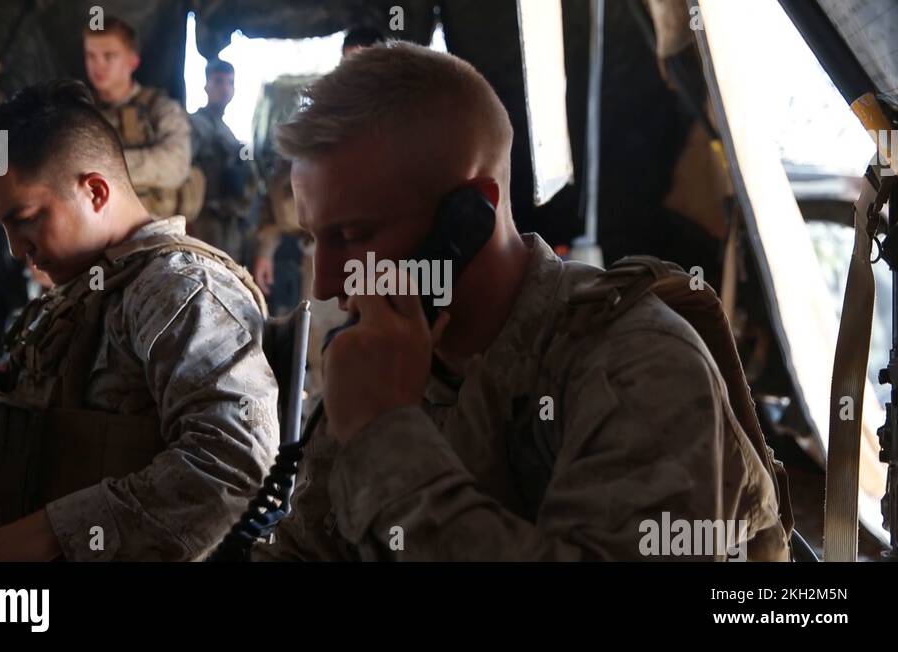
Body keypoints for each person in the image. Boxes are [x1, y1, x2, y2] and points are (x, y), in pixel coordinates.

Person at [255, 42, 790, 561]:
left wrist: (384, 437)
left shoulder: (640, 366)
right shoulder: (388, 357)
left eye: (353, 235)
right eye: (312, 238)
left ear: (468, 216)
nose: (325, 284)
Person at [0, 80, 278, 562]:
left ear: (95, 190)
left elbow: (233, 464)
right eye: (5, 228)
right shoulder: (78, 291)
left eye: (27, 218)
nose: (17, 249)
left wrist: (41, 539)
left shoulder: (180, 290)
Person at [84, 15, 192, 219]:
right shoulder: (79, 111)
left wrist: (106, 165)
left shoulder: (161, 108)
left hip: (152, 231)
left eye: (109, 56)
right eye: (91, 56)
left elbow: (176, 165)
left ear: (133, 61)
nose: (98, 65)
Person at [188, 59, 256, 263]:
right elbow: (182, 171)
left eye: (230, 82)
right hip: (203, 222)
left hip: (229, 222)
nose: (225, 89)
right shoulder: (195, 125)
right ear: (206, 86)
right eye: (218, 82)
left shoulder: (228, 131)